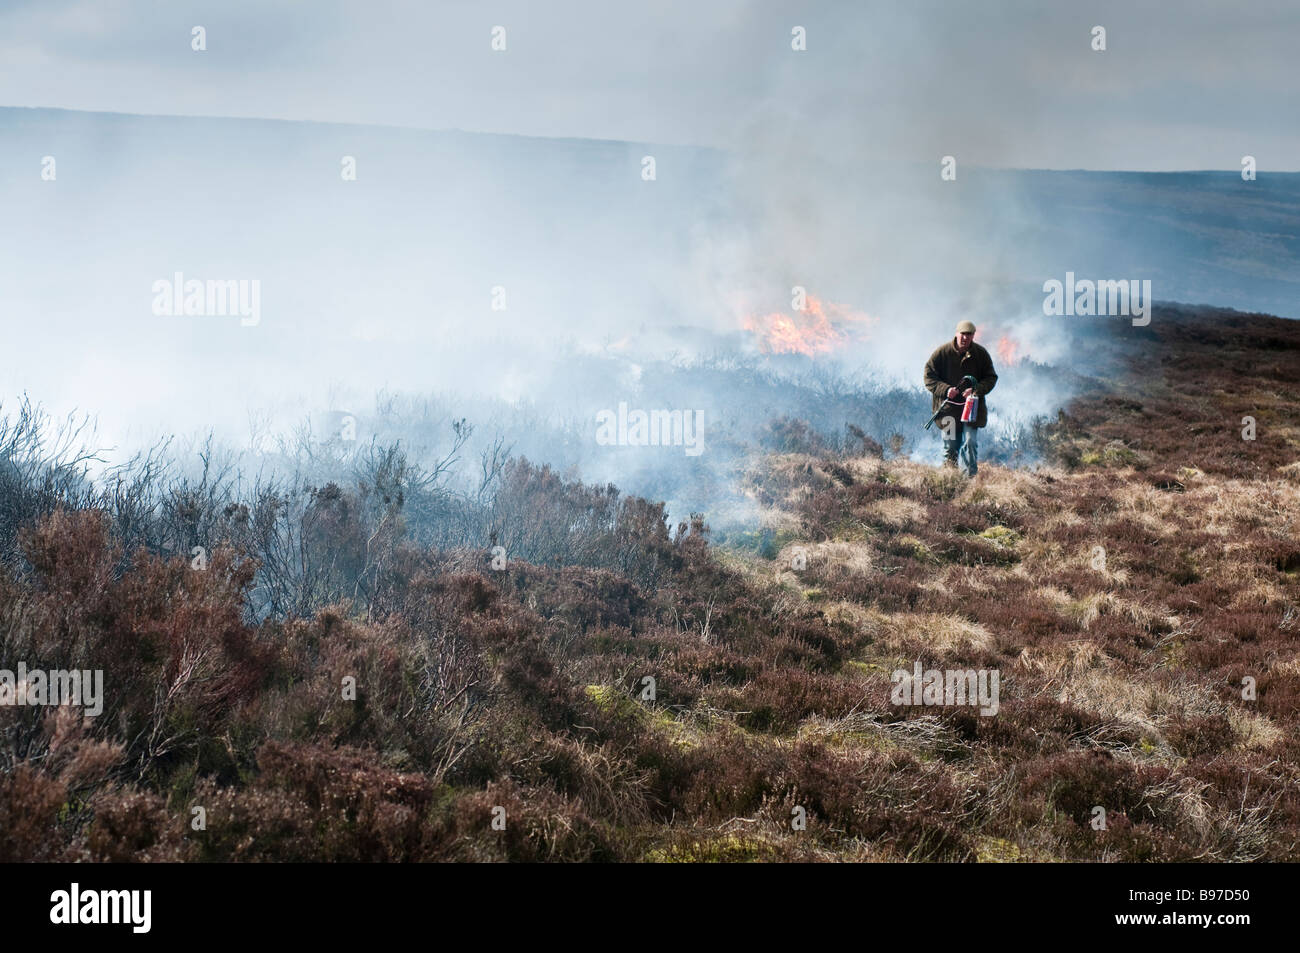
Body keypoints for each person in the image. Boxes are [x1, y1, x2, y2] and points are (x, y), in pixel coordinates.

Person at [923, 320, 998, 476]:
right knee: (950, 446)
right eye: (962, 334)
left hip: (971, 409)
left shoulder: (981, 354)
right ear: (957, 334)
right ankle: (950, 478)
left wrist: (975, 390)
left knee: (970, 443)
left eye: (969, 334)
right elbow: (929, 377)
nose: (965, 338)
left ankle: (969, 481)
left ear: (973, 336)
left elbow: (991, 377)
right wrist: (946, 389)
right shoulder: (941, 353)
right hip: (948, 411)